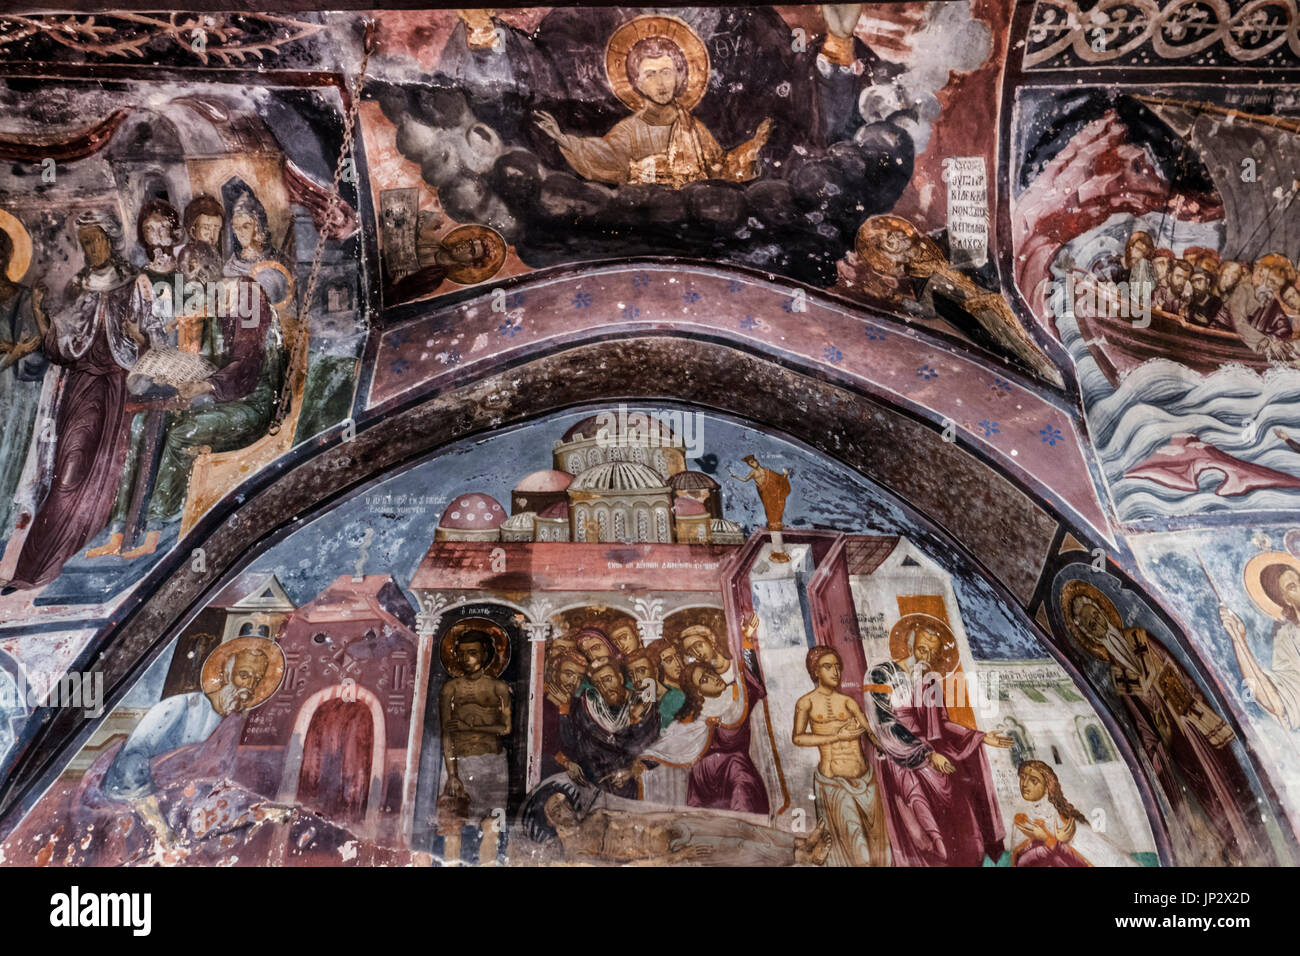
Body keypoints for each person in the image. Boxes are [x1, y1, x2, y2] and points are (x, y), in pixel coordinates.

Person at [3, 209, 160, 592]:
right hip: (80, 387)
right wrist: (42, 315)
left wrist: (138, 338)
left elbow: (154, 339)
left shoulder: (134, 284)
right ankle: (34, 569)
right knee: (66, 473)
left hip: (117, 388)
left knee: (103, 475)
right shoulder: (79, 285)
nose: (90, 248)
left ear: (110, 239)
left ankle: (70, 557)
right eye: (84, 242)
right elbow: (60, 347)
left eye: (95, 240)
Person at [1062, 579, 1255, 864]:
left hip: (1190, 721)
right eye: (1088, 624)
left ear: (1103, 612)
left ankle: (1248, 840)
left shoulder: (1139, 638)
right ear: (1086, 633)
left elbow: (1176, 672)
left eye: (1095, 616)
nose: (1095, 624)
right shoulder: (1118, 677)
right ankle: (1230, 851)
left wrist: (1173, 700)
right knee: (1204, 796)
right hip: (1173, 741)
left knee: (1221, 781)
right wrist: (1155, 753)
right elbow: (1140, 724)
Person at [138, 191, 285, 554]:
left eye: (194, 278)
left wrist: (203, 384)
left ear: (209, 271)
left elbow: (249, 365)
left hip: (254, 400)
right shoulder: (212, 303)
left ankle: (161, 535)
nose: (191, 287)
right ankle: (137, 525)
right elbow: (201, 354)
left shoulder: (247, 296)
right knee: (148, 427)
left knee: (182, 434)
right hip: (222, 393)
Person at [534, 26, 771, 188]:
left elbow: (720, 168)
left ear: (680, 77)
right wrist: (561, 138)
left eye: (666, 72)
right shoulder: (628, 131)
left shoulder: (692, 129)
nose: (661, 83)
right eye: (650, 75)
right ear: (636, 83)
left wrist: (753, 148)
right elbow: (603, 156)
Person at [101, 639, 279, 848]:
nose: (249, 687)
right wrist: (160, 828)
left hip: (190, 817)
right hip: (139, 809)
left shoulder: (231, 726)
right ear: (226, 674)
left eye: (256, 680)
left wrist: (261, 808)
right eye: (244, 676)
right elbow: (128, 765)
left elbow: (218, 786)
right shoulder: (180, 707)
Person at [864, 620, 1012, 866]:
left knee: (959, 797)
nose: (927, 657)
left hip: (931, 752)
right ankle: (932, 845)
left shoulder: (929, 681)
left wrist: (981, 736)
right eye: (922, 649)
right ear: (909, 646)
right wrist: (928, 755)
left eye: (932, 654)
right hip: (900, 752)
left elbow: (941, 724)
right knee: (923, 795)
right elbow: (884, 725)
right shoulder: (880, 674)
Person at [92, 199, 186, 559]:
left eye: (163, 227)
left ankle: (149, 530)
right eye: (150, 229)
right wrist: (144, 338)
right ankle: (119, 532)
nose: (157, 234)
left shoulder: (187, 275)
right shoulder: (141, 278)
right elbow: (135, 328)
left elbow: (196, 323)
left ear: (174, 231)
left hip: (181, 370)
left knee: (162, 442)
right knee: (131, 442)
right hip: (151, 368)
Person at [792, 645, 889, 866]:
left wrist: (883, 746)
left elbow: (870, 734)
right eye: (828, 667)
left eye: (837, 667)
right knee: (859, 852)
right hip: (834, 784)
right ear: (816, 671)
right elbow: (797, 738)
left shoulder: (848, 702)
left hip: (865, 782)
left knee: (877, 850)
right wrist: (836, 736)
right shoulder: (805, 702)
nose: (835, 672)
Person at [438, 630, 512, 842]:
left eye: (472, 653)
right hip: (460, 763)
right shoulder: (450, 689)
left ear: (485, 653)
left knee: (491, 827)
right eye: (461, 654)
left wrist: (469, 728)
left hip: (492, 763)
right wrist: (452, 774)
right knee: (455, 828)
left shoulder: (499, 688)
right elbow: (446, 733)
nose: (466, 659)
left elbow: (505, 728)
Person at [0, 222, 47, 541]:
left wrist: (20, 352)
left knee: (7, 459)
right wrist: (12, 353)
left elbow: (35, 355)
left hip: (15, 398)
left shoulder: (25, 297)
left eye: (1, 253)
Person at [557, 658, 659, 798]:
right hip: (595, 785)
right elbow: (573, 744)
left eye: (608, 679)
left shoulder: (643, 706)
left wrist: (634, 769)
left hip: (632, 785)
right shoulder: (588, 706)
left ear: (621, 678)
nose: (605, 687)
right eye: (598, 684)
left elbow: (657, 748)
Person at [1220, 557, 1300, 731]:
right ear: (1286, 600)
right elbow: (1277, 703)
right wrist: (1238, 639)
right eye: (1293, 587)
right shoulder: (1288, 641)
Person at [1011, 760, 1136, 867]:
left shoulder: (1062, 818)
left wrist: (1050, 841)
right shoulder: (1022, 819)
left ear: (1047, 787)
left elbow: (1095, 857)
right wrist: (1050, 841)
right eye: (1022, 777)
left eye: (1034, 780)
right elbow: (1020, 861)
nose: (1025, 784)